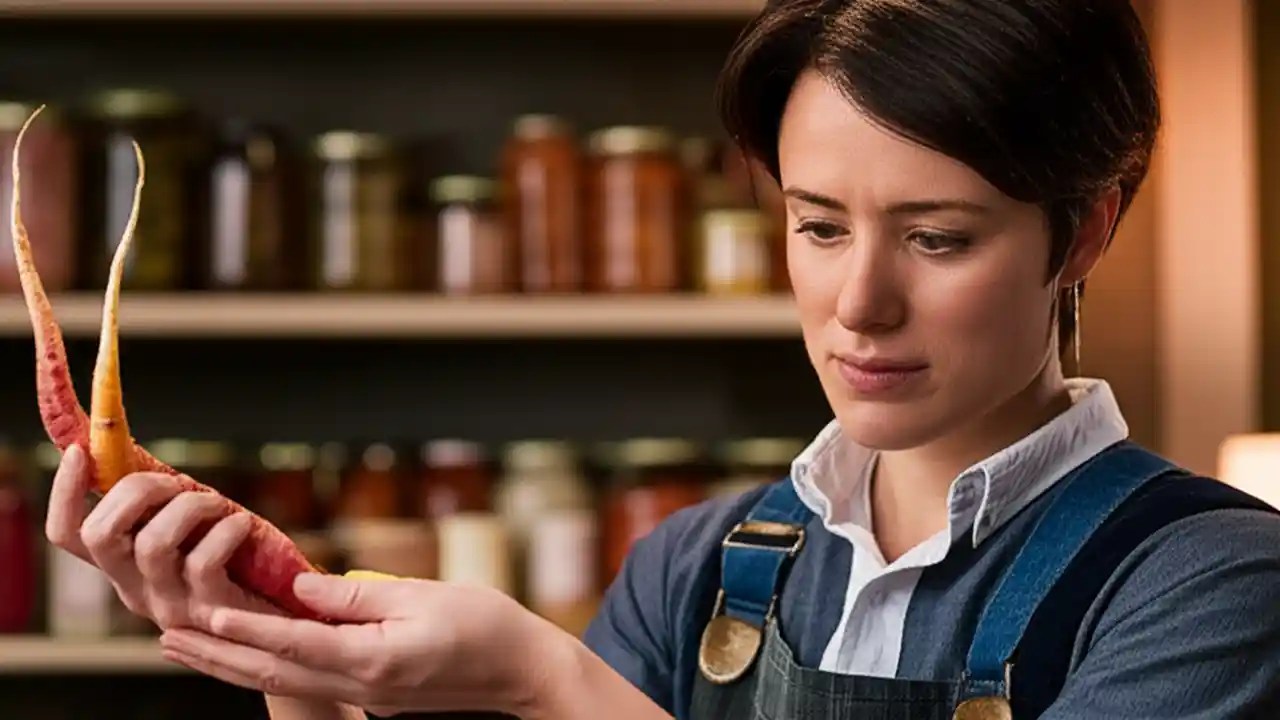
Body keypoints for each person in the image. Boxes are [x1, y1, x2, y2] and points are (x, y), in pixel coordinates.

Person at [42, 0, 1280, 718]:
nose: (858, 303)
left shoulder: (1212, 586)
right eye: (816, 226)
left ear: (1087, 229)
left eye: (936, 238)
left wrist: (544, 679)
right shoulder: (695, 565)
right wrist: (294, 667)